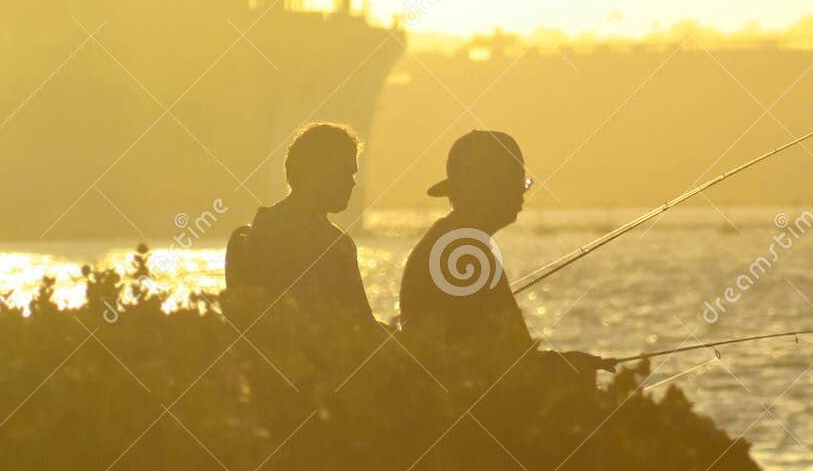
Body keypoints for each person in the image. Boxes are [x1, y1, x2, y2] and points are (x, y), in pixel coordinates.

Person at [399, 130, 612, 376]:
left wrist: (561, 362)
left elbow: (498, 354)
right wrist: (565, 367)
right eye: (513, 186)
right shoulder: (461, 250)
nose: (521, 196)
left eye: (522, 185)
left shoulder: (455, 242)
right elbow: (502, 363)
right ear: (486, 191)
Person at [226, 122, 378, 332]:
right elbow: (363, 325)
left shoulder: (250, 234)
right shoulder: (335, 245)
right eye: (345, 173)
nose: (352, 183)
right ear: (318, 173)